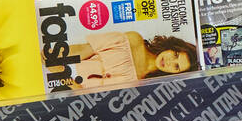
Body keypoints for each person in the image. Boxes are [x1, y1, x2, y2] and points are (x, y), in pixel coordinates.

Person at [66, 31, 198, 89]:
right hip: (66, 69)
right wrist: (56, 64)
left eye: (176, 67)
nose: (170, 62)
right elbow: (85, 49)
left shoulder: (146, 86)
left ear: (174, 74)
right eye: (175, 55)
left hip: (71, 94)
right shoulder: (134, 40)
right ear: (171, 47)